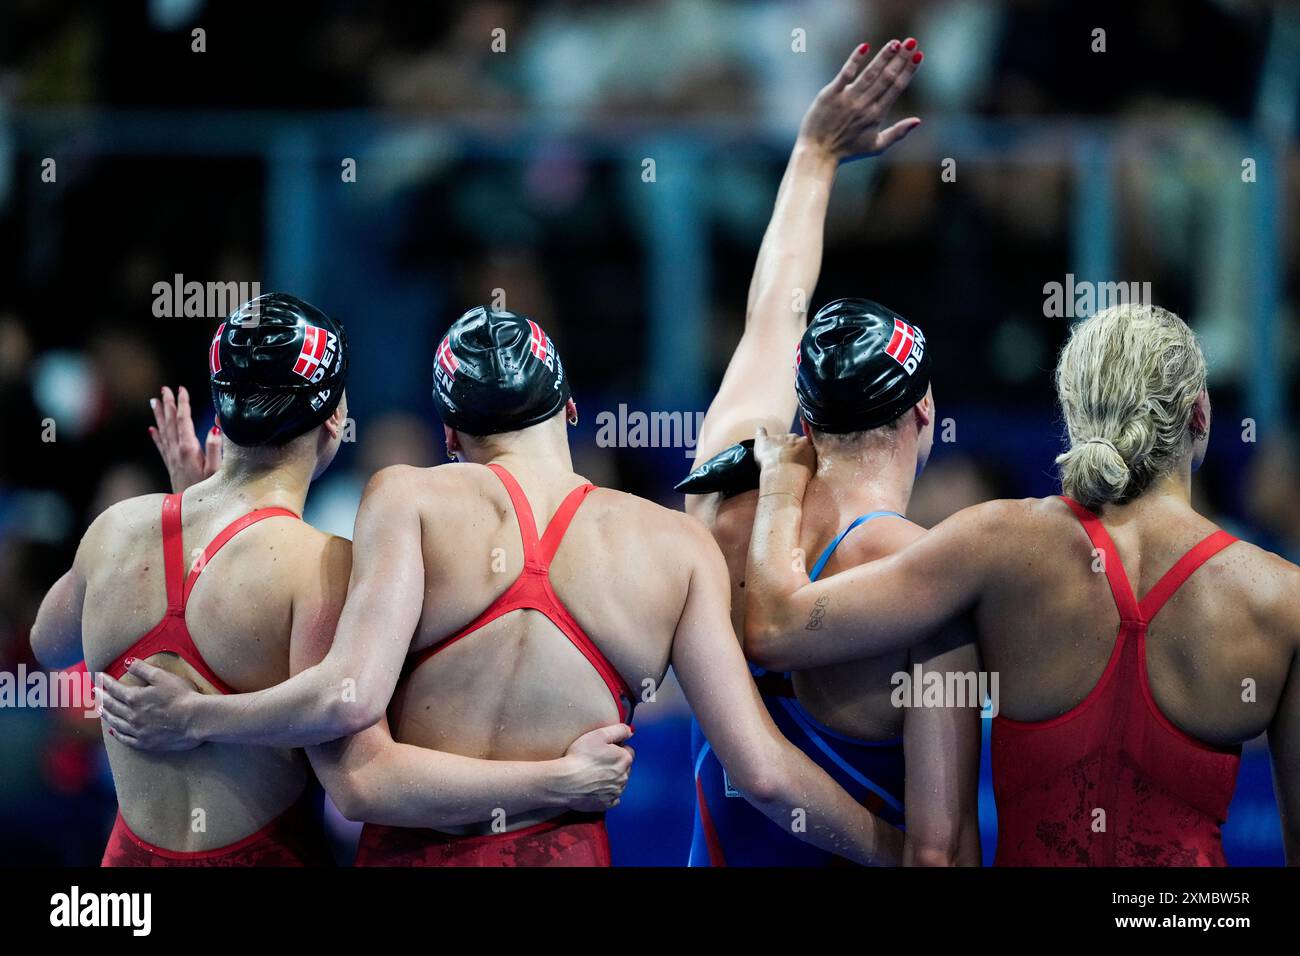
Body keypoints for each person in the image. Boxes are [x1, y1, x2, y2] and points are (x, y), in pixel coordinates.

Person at [100, 304, 904, 867]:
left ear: (450, 437)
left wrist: (201, 513)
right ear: (570, 411)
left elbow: (359, 777)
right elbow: (761, 773)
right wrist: (896, 851)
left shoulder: (405, 498)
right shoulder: (675, 547)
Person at [32, 293, 632, 866]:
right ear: (335, 420)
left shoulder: (114, 532)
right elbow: (362, 771)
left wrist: (186, 504)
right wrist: (558, 781)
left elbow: (49, 646)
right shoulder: (322, 567)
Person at [744, 303, 1300, 866]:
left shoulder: (996, 545)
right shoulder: (1282, 599)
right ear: (1200, 414)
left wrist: (782, 483)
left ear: (1071, 412)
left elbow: (774, 625)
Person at [679, 37, 980, 867]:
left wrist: (814, 156)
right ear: (924, 411)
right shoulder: (927, 581)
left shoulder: (725, 481)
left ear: (804, 418)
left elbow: (775, 310)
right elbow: (939, 855)